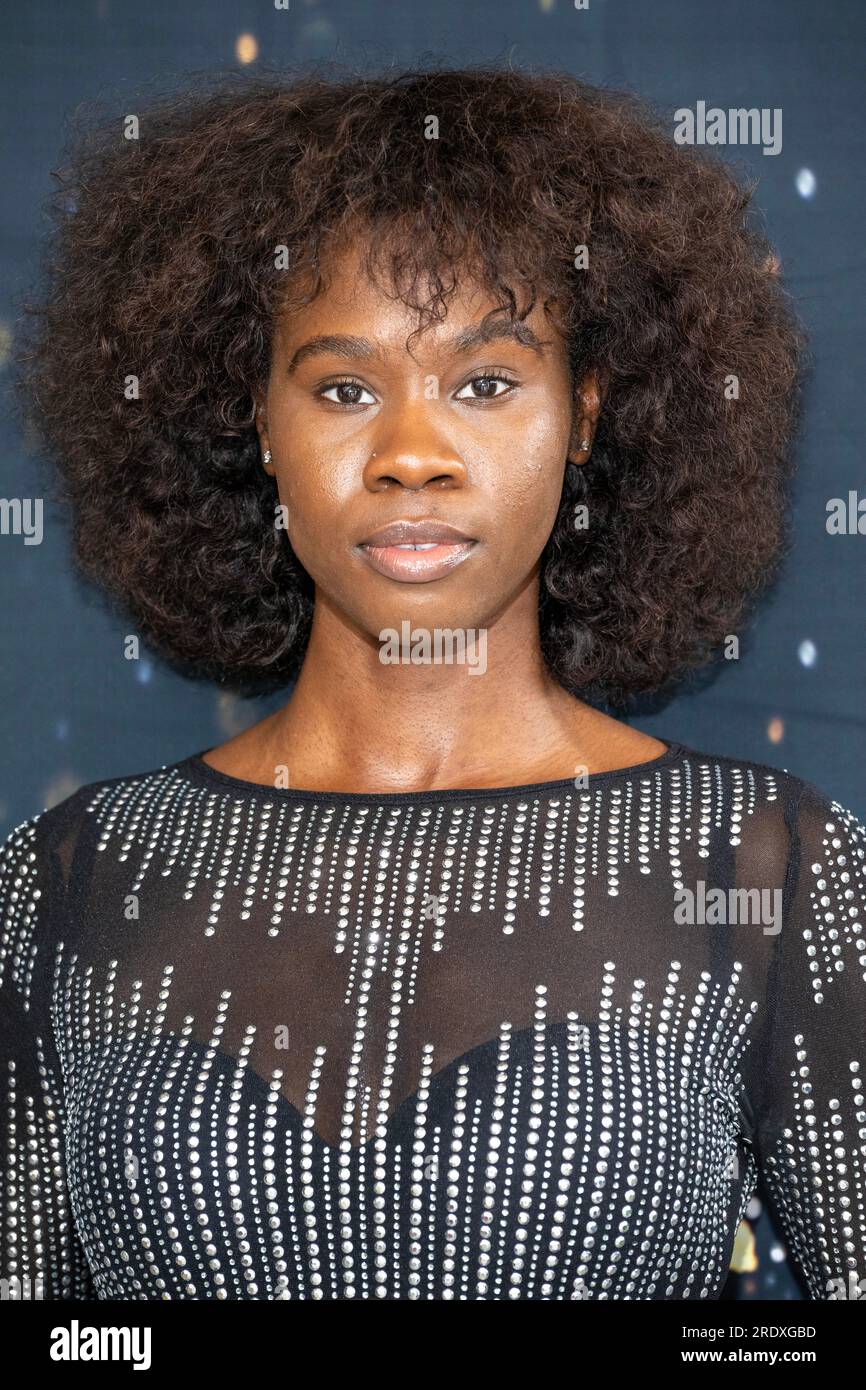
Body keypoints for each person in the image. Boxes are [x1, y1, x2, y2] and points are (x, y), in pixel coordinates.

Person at [1, 65, 863, 1302]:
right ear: (256, 421)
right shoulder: (70, 882)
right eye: (343, 388)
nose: (412, 454)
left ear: (585, 415)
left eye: (486, 381)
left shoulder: (761, 868)